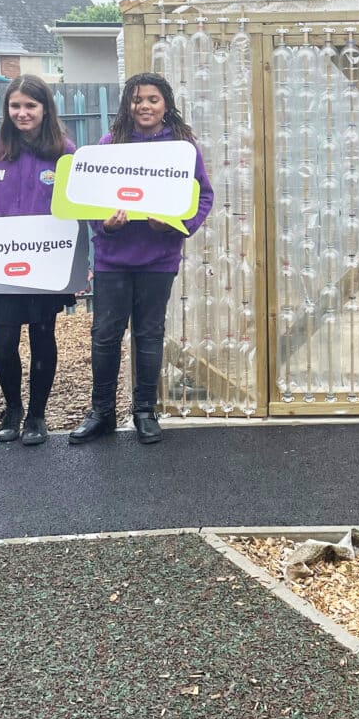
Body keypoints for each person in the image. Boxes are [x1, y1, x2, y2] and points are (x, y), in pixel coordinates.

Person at [70, 73, 213, 447]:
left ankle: (145, 412)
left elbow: (204, 197)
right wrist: (105, 226)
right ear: (127, 105)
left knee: (149, 335)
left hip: (158, 258)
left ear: (166, 103)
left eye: (152, 99)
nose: (145, 106)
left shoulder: (183, 148)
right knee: (104, 336)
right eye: (137, 100)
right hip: (112, 258)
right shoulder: (108, 145)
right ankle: (101, 413)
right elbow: (87, 199)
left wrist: (176, 226)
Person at [0, 76, 77, 447]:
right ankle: (12, 409)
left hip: (45, 265)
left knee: (42, 336)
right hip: (0, 264)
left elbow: (74, 213)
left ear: (44, 109)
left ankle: (37, 414)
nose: (22, 113)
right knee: (4, 340)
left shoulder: (64, 151)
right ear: (7, 110)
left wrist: (75, 263)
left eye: (30, 106)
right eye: (15, 106)